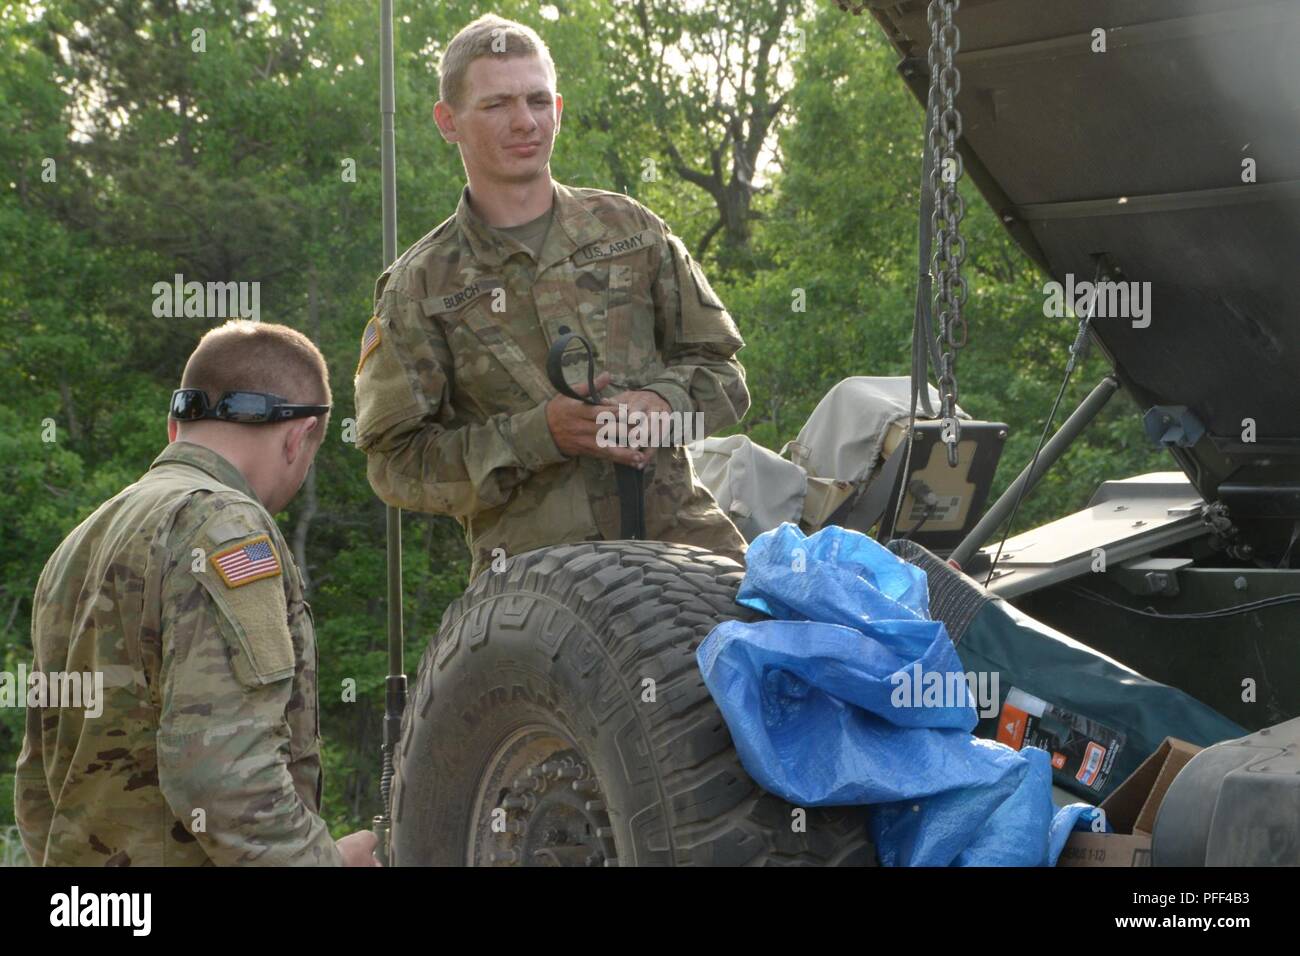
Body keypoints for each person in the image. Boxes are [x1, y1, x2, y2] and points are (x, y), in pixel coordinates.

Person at [353, 14, 751, 579]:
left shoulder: (630, 231)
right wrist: (540, 436)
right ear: (448, 122)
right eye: (496, 105)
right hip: (537, 588)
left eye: (538, 101)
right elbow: (395, 465)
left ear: (558, 110)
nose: (524, 122)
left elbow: (726, 380)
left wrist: (662, 408)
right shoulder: (420, 287)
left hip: (686, 553)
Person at [14, 320, 378, 867]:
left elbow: (38, 785)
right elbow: (222, 778)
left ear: (174, 426)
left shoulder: (82, 539)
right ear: (298, 436)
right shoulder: (226, 527)